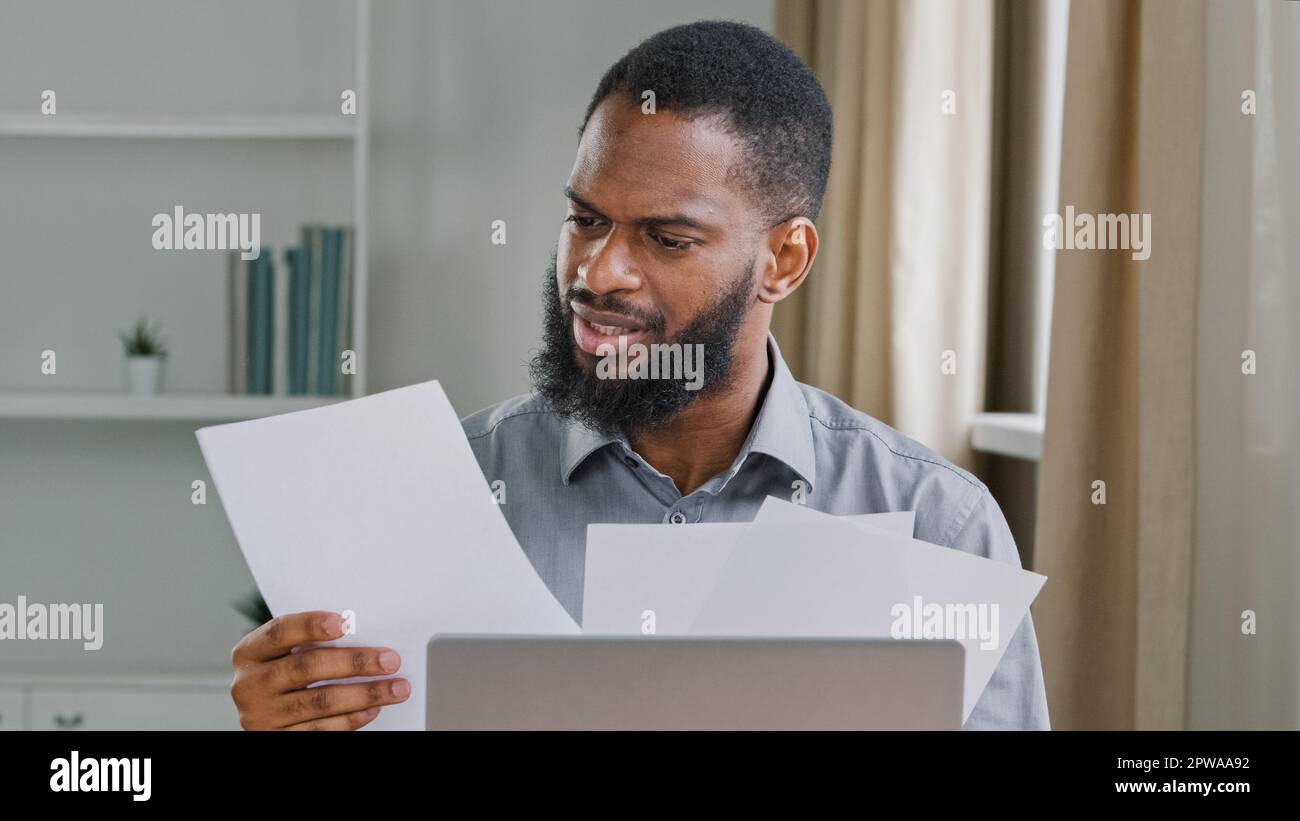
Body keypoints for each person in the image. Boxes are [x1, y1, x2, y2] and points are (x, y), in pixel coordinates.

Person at [229, 20, 1049, 731]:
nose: (598, 271)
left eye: (666, 238)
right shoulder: (438, 490)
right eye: (585, 219)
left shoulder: (938, 523)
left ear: (784, 260)